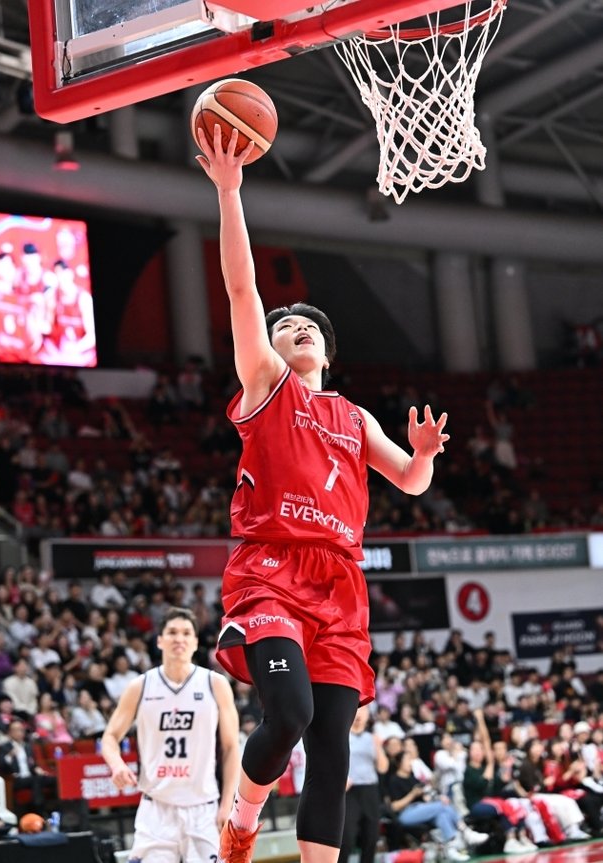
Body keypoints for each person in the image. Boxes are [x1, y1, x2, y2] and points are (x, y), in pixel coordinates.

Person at [196, 125, 449, 863]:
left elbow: (408, 479)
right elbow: (243, 287)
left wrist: (425, 456)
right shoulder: (268, 387)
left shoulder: (352, 415)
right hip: (272, 567)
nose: (296, 327)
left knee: (333, 738)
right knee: (293, 713)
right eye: (286, 326)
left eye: (308, 327)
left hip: (341, 582)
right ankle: (241, 814)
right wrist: (230, 191)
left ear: (328, 353)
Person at [101, 607, 240, 863]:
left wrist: (228, 803)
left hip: (203, 808)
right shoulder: (140, 686)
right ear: (160, 640)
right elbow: (109, 737)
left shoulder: (215, 684)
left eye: (187, 633)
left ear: (196, 642)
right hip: (156, 809)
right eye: (172, 632)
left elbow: (231, 748)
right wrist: (117, 765)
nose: (179, 638)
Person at [338, 706, 389, 863]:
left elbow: (383, 768)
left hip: (370, 789)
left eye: (364, 710)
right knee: (346, 838)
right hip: (349, 791)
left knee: (371, 837)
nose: (360, 714)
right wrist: (340, 779)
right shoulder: (341, 736)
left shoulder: (371, 738)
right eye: (357, 710)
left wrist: (378, 746)